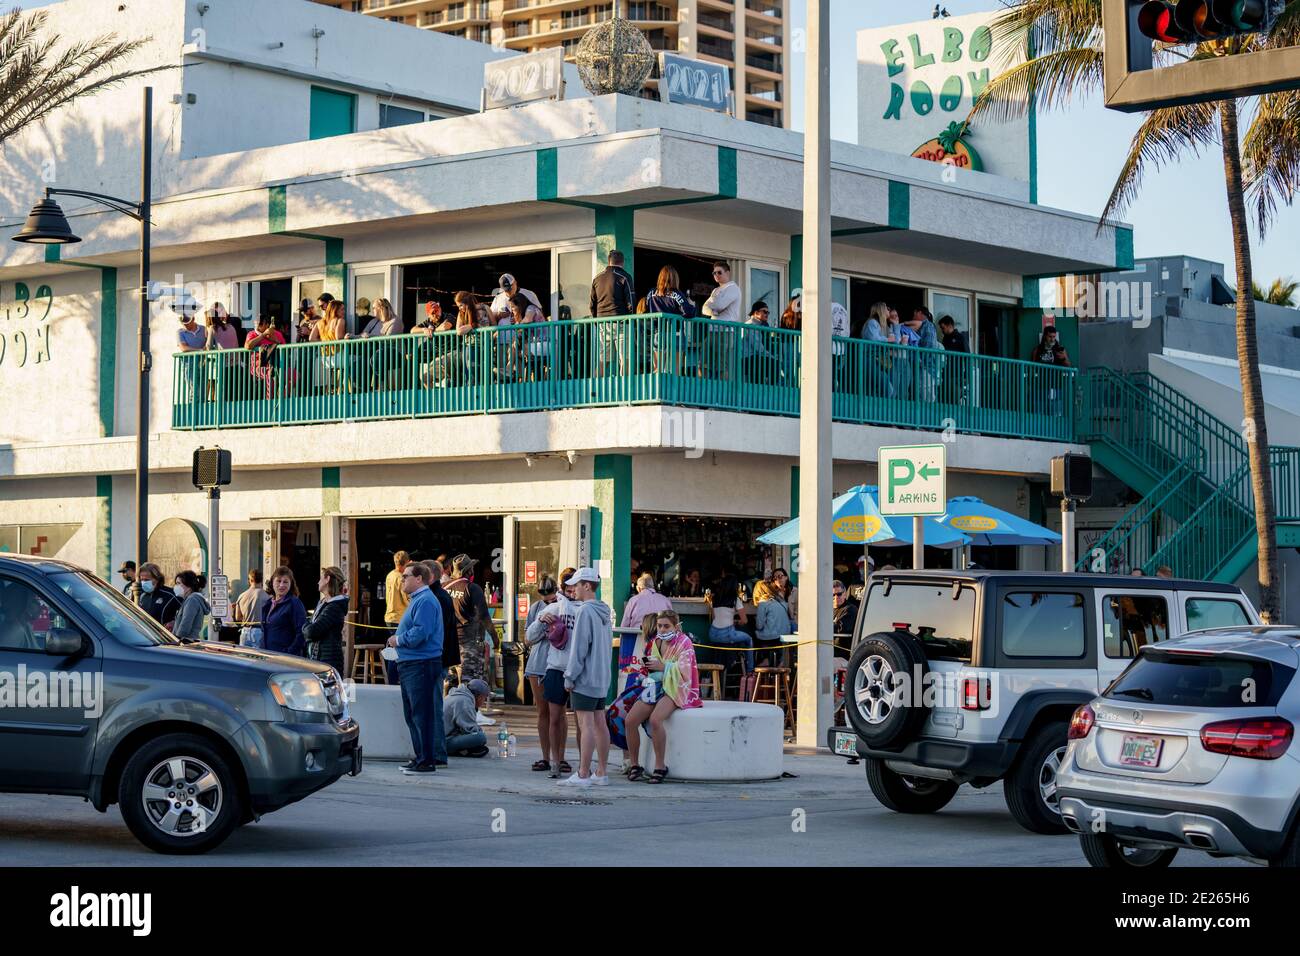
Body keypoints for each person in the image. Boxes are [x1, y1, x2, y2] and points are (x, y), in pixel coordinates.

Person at [623, 610, 701, 783]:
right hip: (655, 685)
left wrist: (663, 666)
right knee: (630, 721)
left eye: (667, 626)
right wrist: (646, 673)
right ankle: (635, 765)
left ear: (676, 626)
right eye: (660, 626)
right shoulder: (654, 642)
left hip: (676, 687)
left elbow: (686, 671)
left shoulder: (684, 642)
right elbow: (646, 667)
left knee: (656, 720)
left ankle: (660, 766)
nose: (663, 629)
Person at [385, 562, 444, 775]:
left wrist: (398, 640)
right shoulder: (419, 600)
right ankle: (421, 757)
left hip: (420, 664)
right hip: (414, 663)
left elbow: (421, 632)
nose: (402, 580)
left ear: (419, 578)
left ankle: (426, 760)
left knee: (421, 714)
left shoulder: (426, 601)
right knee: (413, 714)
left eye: (406, 576)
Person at [558, 568, 613, 788]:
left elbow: (579, 649)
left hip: (585, 677)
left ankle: (582, 774)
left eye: (577, 585)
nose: (573, 589)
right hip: (602, 677)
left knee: (586, 724)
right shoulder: (604, 612)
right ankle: (601, 772)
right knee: (600, 724)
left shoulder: (584, 612)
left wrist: (569, 676)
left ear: (587, 586)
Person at [524, 575, 559, 770]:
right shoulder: (536, 608)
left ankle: (559, 758)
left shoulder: (565, 605)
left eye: (551, 594)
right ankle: (546, 757)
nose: (548, 598)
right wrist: (542, 623)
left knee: (558, 714)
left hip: (556, 663)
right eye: (544, 594)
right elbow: (528, 638)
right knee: (542, 712)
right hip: (538, 663)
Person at [425, 559, 458, 767]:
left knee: (433, 706)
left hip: (436, 659)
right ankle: (434, 750)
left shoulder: (436, 598)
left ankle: (436, 752)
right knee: (431, 705)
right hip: (439, 658)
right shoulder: (437, 596)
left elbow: (433, 632)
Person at [446, 553, 492, 682]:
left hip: (448, 645)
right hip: (468, 645)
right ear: (469, 570)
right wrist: (495, 638)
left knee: (449, 685)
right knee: (470, 686)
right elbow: (484, 617)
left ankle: (447, 703)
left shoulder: (443, 587)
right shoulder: (472, 588)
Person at [303, 566, 348, 674]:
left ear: (327, 579)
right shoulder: (323, 603)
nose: (318, 582)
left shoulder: (334, 607)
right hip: (318, 659)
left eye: (320, 578)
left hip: (328, 662)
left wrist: (305, 625)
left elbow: (311, 632)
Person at [706, 566, 752, 671]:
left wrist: (731, 620)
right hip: (727, 635)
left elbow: (715, 618)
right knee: (749, 639)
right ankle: (750, 669)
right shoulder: (735, 600)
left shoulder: (714, 598)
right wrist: (737, 622)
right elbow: (744, 621)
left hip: (713, 634)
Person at [702, 261, 741, 380]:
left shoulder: (732, 288)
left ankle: (722, 393)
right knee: (703, 363)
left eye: (719, 272)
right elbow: (704, 308)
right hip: (712, 330)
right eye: (714, 273)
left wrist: (713, 307)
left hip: (726, 331)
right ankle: (705, 389)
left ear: (727, 273)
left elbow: (720, 305)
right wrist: (713, 311)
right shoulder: (715, 291)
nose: (716, 275)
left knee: (722, 365)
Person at [263, 566, 307, 656]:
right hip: (269, 656)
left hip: (286, 659)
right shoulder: (268, 604)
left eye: (286, 582)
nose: (282, 585)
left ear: (291, 584)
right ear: (272, 582)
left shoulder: (295, 603)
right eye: (278, 581)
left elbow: (302, 633)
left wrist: (289, 653)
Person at [443, 678, 491, 757]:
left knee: (477, 737)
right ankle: (461, 751)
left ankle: (465, 750)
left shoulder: (457, 696)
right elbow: (470, 729)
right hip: (442, 742)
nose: (484, 701)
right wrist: (479, 731)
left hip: (442, 738)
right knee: (480, 737)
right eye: (484, 698)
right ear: (479, 696)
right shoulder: (464, 702)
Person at [753, 578, 792, 666]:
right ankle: (779, 661)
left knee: (753, 634)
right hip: (784, 636)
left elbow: (759, 626)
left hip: (772, 638)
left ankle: (764, 659)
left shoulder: (763, 603)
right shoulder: (782, 600)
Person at [245, 315, 285, 400]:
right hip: (258, 365)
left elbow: (284, 347)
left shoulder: (277, 334)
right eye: (255, 324)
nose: (257, 327)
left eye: (259, 324)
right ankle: (269, 401)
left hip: (276, 364)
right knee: (270, 374)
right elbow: (248, 346)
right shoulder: (252, 334)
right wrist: (263, 335)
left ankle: (282, 399)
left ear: (267, 325)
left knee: (295, 375)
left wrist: (272, 337)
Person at [589, 249, 634, 318]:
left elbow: (592, 304)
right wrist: (628, 319)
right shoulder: (625, 277)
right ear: (623, 262)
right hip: (619, 320)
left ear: (609, 261)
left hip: (601, 321)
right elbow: (631, 302)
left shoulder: (597, 278)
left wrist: (596, 320)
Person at [233, 567, 270, 647]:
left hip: (244, 631)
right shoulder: (266, 597)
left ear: (250, 580)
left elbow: (238, 617)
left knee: (243, 658)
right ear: (261, 580)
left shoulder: (241, 596)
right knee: (259, 658)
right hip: (259, 631)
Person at [742, 300, 777, 384]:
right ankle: (769, 390)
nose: (767, 314)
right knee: (773, 362)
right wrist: (772, 356)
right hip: (746, 359)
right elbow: (757, 347)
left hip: (753, 358)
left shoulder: (759, 326)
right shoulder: (750, 325)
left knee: (769, 362)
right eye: (764, 311)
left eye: (768, 312)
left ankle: (767, 389)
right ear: (756, 312)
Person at [136, 563, 180, 628]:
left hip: (164, 636)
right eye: (142, 580)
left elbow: (187, 613)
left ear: (157, 579)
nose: (144, 582)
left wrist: (174, 622)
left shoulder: (171, 594)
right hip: (146, 635)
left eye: (147, 580)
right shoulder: (142, 595)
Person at [936, 314, 969, 404]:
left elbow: (968, 356)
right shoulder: (945, 339)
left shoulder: (960, 337)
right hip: (945, 374)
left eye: (943, 328)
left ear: (950, 325)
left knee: (954, 400)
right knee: (945, 399)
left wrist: (967, 376)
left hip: (957, 375)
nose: (942, 331)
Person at [171, 570, 210, 641]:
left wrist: (176, 639)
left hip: (186, 642)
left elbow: (186, 623)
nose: (176, 586)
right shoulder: (191, 599)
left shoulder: (192, 600)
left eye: (178, 583)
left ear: (189, 586)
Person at [831, 579, 859, 656]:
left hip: (843, 655)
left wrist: (820, 627)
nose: (836, 597)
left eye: (839, 594)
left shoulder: (850, 609)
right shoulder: (826, 610)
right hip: (828, 651)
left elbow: (840, 628)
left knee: (822, 664)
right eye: (833, 595)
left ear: (845, 594)